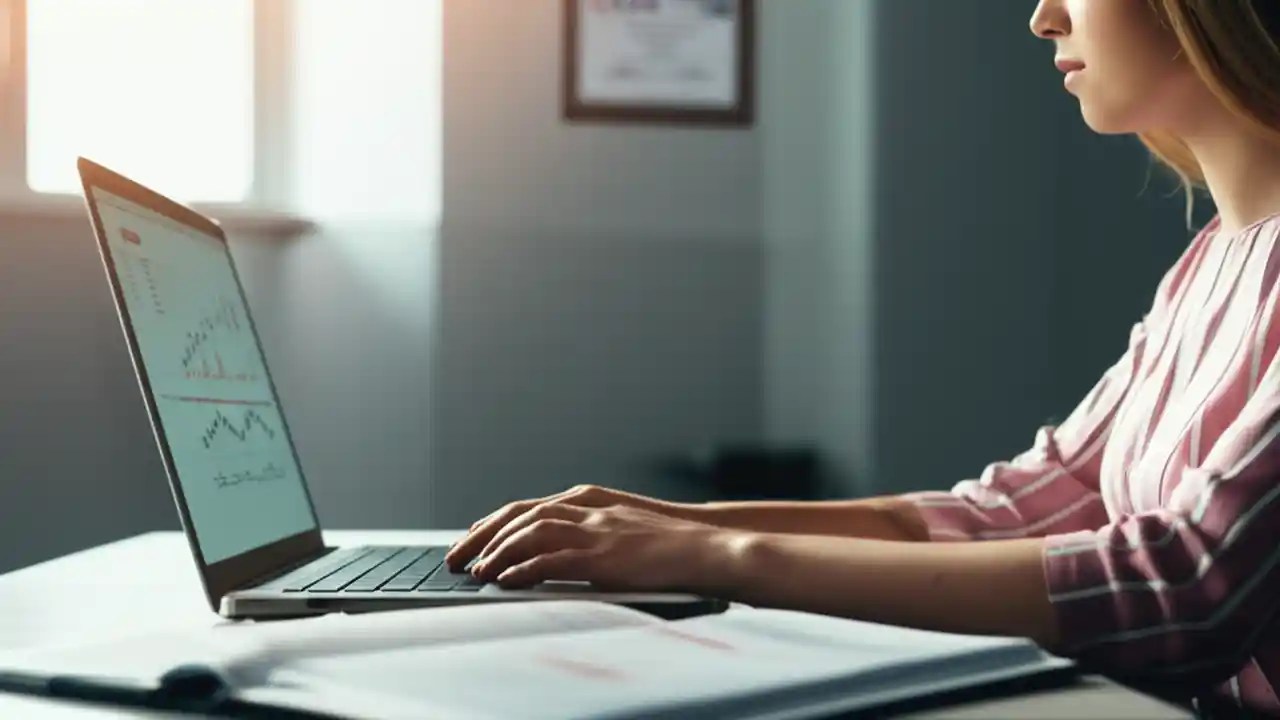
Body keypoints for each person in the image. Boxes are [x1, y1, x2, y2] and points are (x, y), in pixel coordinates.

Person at [448, 0, 1280, 715]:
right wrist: (661, 527)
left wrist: (717, 556)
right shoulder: (1209, 262)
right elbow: (1017, 511)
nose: (1042, 15)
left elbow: (1190, 587)